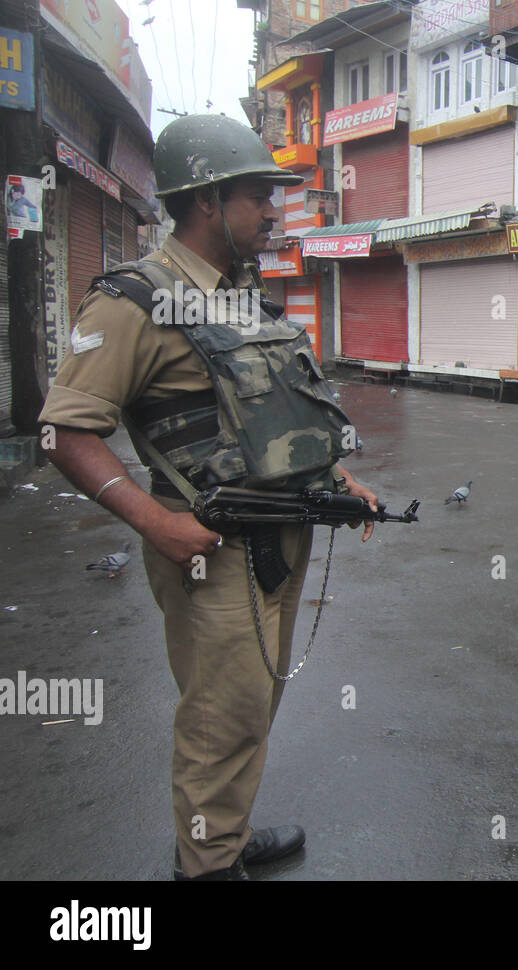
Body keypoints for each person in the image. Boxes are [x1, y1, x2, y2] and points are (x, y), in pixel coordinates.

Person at [39, 115, 380, 880]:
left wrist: (335, 479)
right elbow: (65, 433)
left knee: (254, 704)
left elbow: (274, 413)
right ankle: (207, 866)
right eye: (259, 196)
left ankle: (220, 832)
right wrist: (156, 521)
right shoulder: (132, 303)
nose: (274, 212)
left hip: (282, 535)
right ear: (204, 201)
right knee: (221, 715)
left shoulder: (241, 298)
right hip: (208, 549)